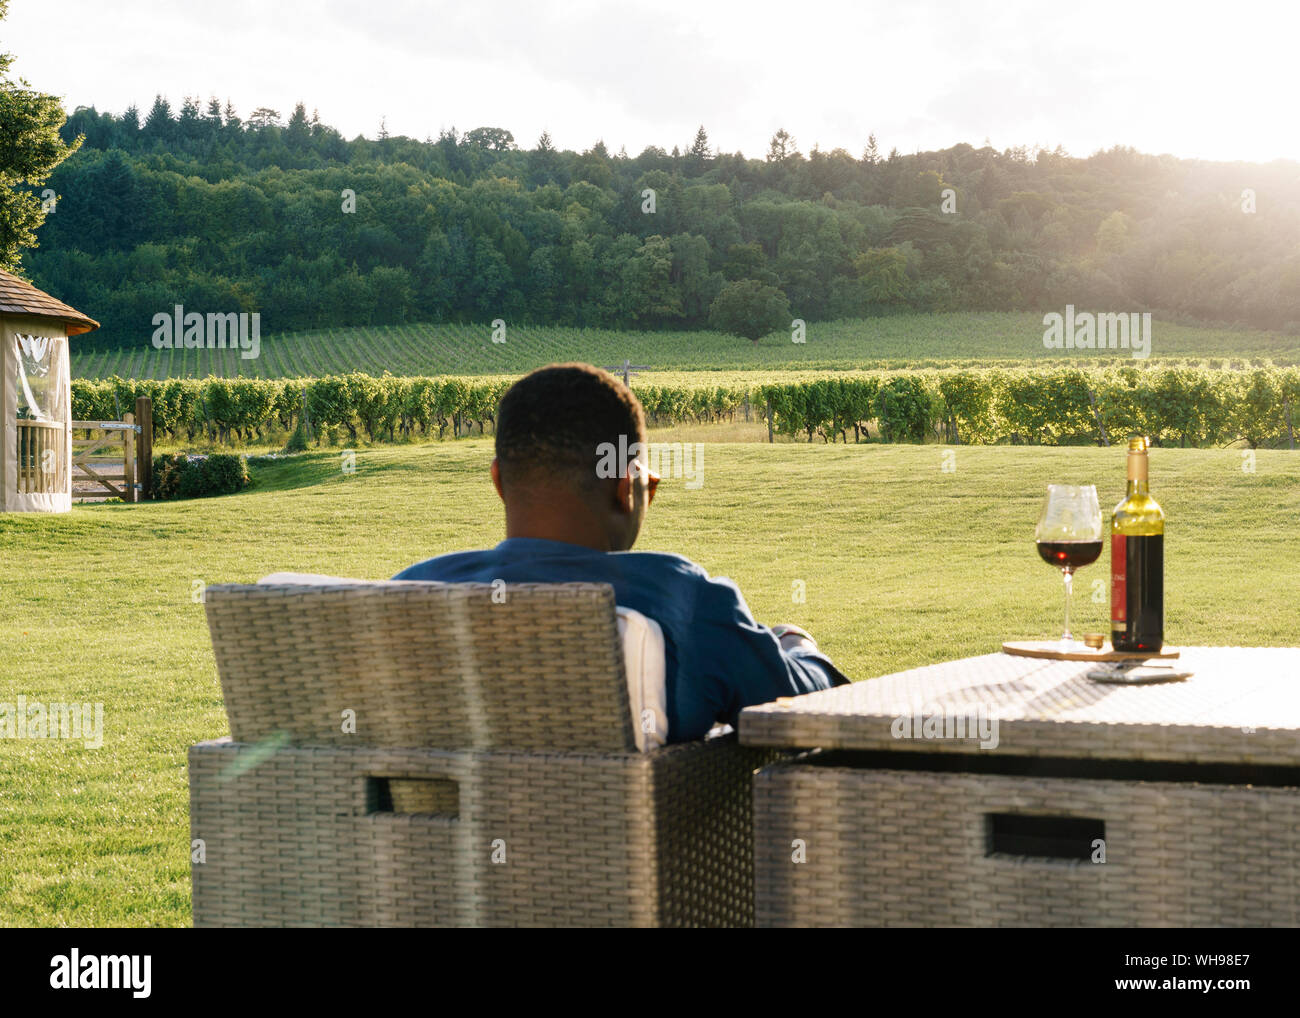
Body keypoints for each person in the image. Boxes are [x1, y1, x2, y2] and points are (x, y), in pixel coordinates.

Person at [393, 363, 849, 742]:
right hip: (635, 848)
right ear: (623, 491)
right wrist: (795, 643)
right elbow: (808, 711)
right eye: (647, 486)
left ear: (498, 482)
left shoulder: (407, 595)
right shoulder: (680, 603)